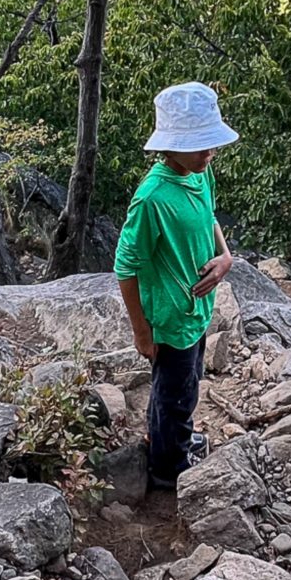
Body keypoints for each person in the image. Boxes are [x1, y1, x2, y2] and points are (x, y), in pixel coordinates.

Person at [114, 81, 237, 491]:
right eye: (200, 145)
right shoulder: (152, 198)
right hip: (168, 317)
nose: (210, 152)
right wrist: (141, 331)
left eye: (211, 144)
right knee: (176, 394)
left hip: (196, 310)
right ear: (170, 146)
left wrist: (225, 258)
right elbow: (125, 266)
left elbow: (209, 214)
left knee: (183, 384)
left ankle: (167, 438)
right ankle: (169, 469)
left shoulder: (199, 173)